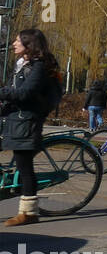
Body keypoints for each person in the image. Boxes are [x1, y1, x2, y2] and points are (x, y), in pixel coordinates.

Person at [1, 29, 60, 225]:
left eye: (18, 41)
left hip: (27, 121)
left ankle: (28, 213)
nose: (14, 44)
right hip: (17, 118)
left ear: (29, 45)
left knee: (24, 166)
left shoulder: (38, 67)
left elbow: (25, 93)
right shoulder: (22, 65)